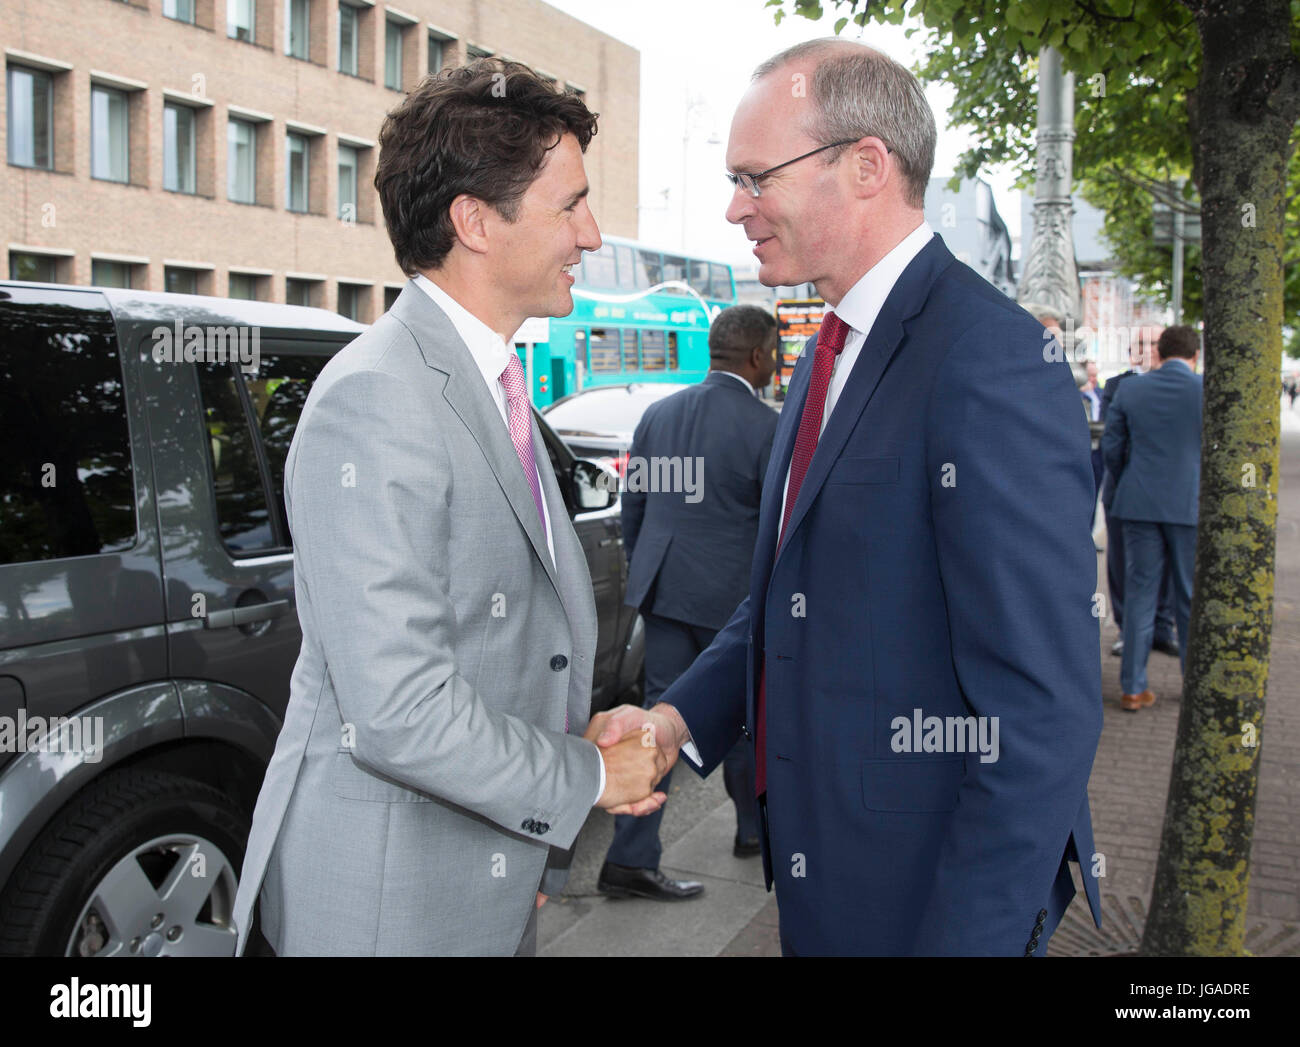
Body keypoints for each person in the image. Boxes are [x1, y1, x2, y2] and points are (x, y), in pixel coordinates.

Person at [591, 39, 1103, 956]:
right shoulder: (830, 349)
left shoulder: (988, 361)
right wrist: (676, 721)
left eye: (755, 177)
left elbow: (1038, 714)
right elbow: (793, 594)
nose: (734, 207)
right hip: (829, 879)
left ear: (867, 165)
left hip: (923, 898)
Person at [230, 60, 668, 957]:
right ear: (475, 221)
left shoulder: (492, 380)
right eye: (570, 204)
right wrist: (586, 774)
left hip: (478, 884)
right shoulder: (377, 397)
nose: (592, 233)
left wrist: (548, 808)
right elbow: (397, 711)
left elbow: (504, 647)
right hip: (386, 908)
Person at [597, 305, 780, 902]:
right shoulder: (767, 426)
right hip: (730, 603)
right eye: (773, 352)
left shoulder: (660, 413)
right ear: (758, 356)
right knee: (745, 714)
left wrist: (646, 570)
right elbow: (778, 531)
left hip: (664, 589)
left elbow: (636, 506)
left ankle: (628, 859)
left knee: (657, 715)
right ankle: (754, 834)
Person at [1102, 325, 1203, 712]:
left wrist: (1130, 478)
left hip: (1138, 503)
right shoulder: (1205, 390)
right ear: (1194, 355)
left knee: (1139, 594)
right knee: (1188, 596)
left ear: (1159, 351)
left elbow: (1112, 448)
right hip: (1188, 506)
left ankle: (1132, 687)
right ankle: (1192, 686)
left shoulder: (1131, 389)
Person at [1100, 327, 1178, 659]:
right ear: (1132, 350)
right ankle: (1126, 630)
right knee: (1122, 564)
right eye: (1142, 344)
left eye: (1154, 344)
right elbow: (1111, 441)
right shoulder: (1117, 386)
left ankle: (1162, 627)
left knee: (1169, 566)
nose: (1149, 349)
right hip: (1125, 489)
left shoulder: (1180, 386)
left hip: (1168, 493)